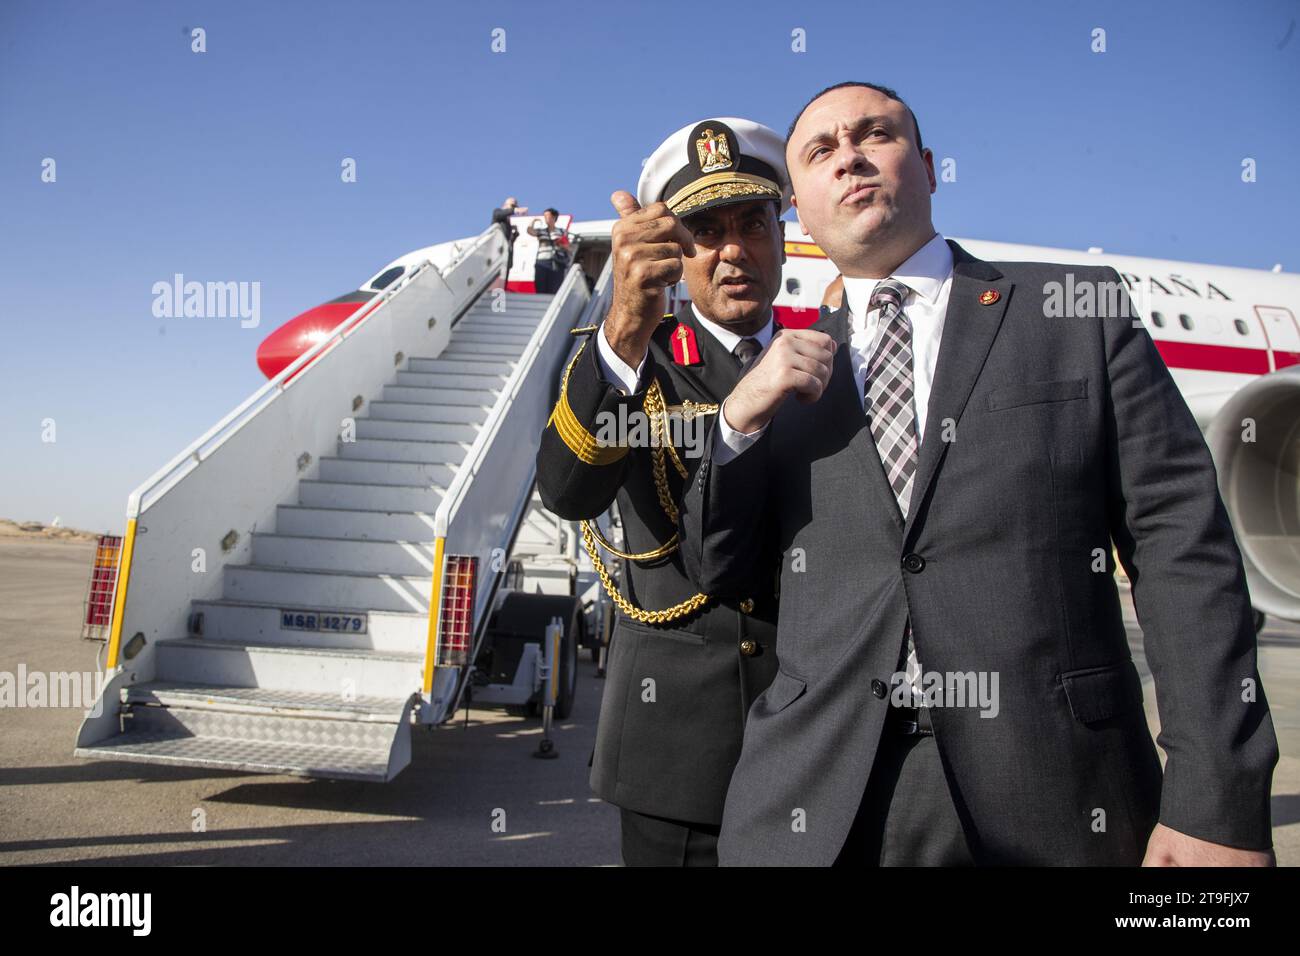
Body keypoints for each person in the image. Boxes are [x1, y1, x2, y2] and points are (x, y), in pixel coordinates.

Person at [679, 82, 1279, 866]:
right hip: (824, 799)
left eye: (875, 135)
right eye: (821, 151)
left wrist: (1217, 802)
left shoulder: (1073, 313)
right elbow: (719, 569)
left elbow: (1183, 552)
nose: (851, 157)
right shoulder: (777, 379)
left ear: (928, 166)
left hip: (1055, 787)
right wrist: (738, 424)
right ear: (799, 204)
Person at [536, 118, 791, 865]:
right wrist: (622, 329)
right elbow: (570, 491)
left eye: (753, 222)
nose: (734, 249)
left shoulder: (833, 364)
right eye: (706, 232)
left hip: (813, 741)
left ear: (782, 234)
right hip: (677, 749)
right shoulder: (632, 363)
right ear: (677, 251)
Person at [528, 208, 572, 294]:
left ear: (554, 217)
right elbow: (529, 231)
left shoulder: (562, 231)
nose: (546, 218)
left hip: (557, 262)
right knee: (540, 287)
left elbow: (568, 247)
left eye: (548, 216)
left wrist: (561, 244)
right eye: (544, 216)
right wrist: (533, 221)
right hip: (542, 262)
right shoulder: (541, 231)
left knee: (554, 288)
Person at [490, 196, 527, 275]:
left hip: (506, 258)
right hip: (496, 256)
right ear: (504, 205)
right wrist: (515, 210)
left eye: (516, 207)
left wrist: (514, 236)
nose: (515, 208)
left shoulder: (508, 224)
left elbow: (508, 242)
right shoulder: (498, 212)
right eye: (512, 206)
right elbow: (498, 214)